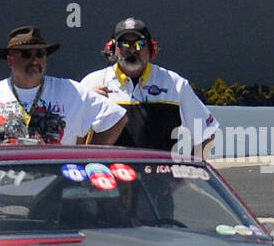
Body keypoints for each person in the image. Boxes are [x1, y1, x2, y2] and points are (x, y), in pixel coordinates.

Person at [0, 26, 128, 147]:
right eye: (26, 54)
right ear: (10, 60)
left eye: (40, 54)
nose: (35, 60)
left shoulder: (70, 90)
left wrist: (88, 160)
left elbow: (116, 118)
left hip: (57, 196)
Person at [79, 17, 219, 157]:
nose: (132, 50)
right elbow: (73, 138)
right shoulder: (91, 83)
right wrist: (88, 105)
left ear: (151, 48)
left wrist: (188, 168)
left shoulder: (175, 84)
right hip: (105, 177)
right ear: (111, 48)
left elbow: (208, 133)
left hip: (159, 178)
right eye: (124, 45)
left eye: (139, 44)